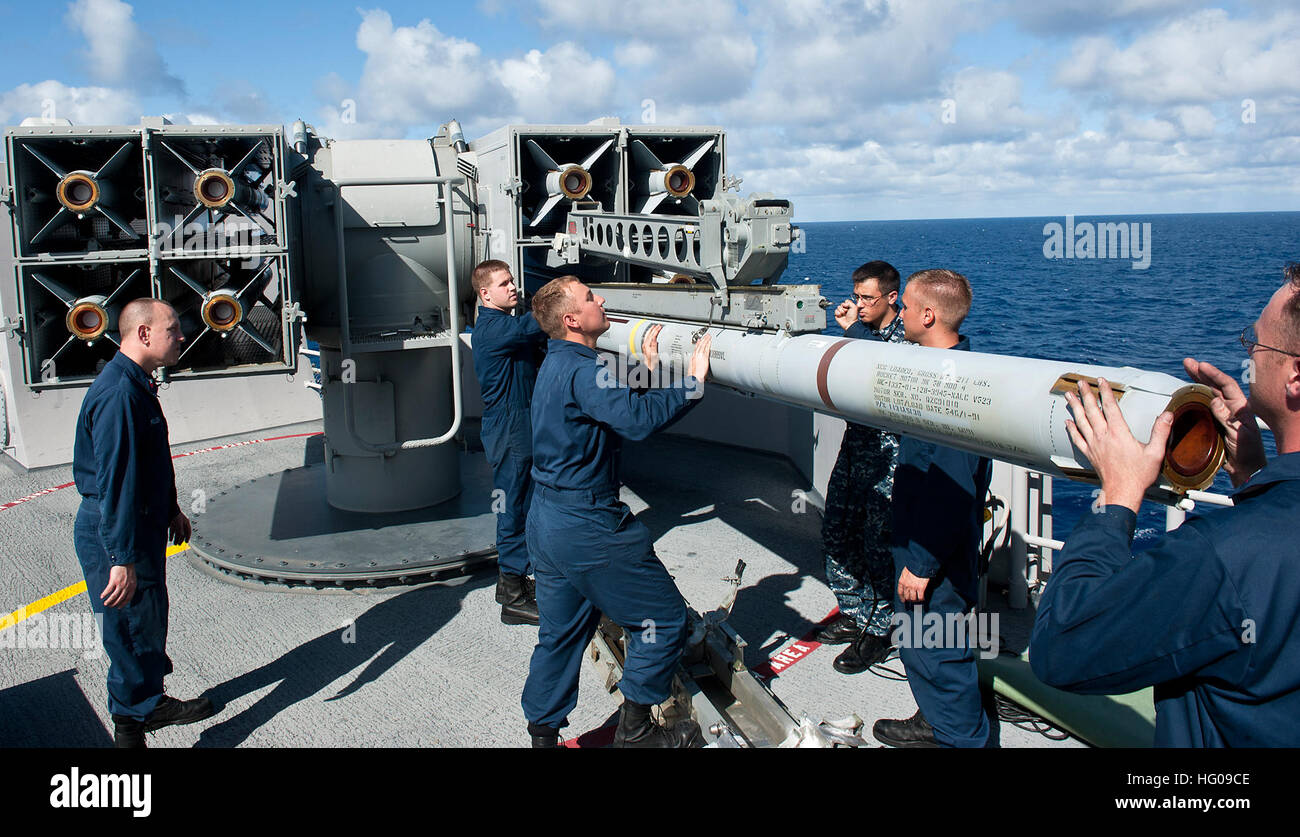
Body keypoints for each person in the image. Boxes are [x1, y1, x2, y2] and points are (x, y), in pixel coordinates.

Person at [1029, 264, 1300, 747]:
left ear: (1295, 374)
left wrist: (1117, 498)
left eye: (1256, 343)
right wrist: (1255, 480)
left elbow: (1061, 648)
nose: (1250, 355)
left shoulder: (1224, 556)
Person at [520, 275, 713, 748]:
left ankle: (542, 736)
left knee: (561, 635)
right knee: (664, 619)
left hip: (546, 520)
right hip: (587, 525)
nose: (600, 299)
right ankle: (636, 730)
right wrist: (692, 384)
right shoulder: (585, 368)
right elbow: (636, 420)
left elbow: (598, 408)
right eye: (590, 297)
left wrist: (643, 374)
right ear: (572, 320)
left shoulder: (558, 362)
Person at [72, 298, 214, 748]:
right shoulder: (119, 394)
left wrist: (170, 508)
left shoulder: (137, 383)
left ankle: (149, 701)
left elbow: (148, 463)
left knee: (147, 621)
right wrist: (122, 557)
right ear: (144, 334)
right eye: (173, 329)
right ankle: (131, 728)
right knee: (129, 632)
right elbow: (117, 485)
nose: (182, 336)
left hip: (141, 522)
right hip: (117, 528)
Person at [872, 269, 997, 748]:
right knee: (925, 642)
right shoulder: (942, 369)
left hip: (933, 549)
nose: (898, 313)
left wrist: (921, 567)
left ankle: (958, 738)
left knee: (937, 647)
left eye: (904, 306)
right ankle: (935, 719)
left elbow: (951, 488)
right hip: (924, 536)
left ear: (928, 315)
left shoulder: (954, 389)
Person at [818, 261, 910, 675]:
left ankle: (878, 631)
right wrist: (853, 330)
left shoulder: (907, 337)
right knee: (836, 530)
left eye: (867, 298)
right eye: (856, 296)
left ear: (893, 297)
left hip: (887, 461)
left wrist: (853, 331)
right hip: (855, 450)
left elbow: (886, 368)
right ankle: (854, 611)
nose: (859, 305)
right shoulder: (864, 331)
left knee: (877, 546)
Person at [471, 259, 546, 625]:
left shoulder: (505, 325)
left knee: (521, 502)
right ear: (485, 294)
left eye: (513, 280)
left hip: (516, 423)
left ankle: (510, 583)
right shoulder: (494, 329)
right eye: (504, 284)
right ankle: (513, 597)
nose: (513, 287)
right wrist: (560, 298)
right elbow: (533, 326)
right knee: (513, 507)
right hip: (510, 426)